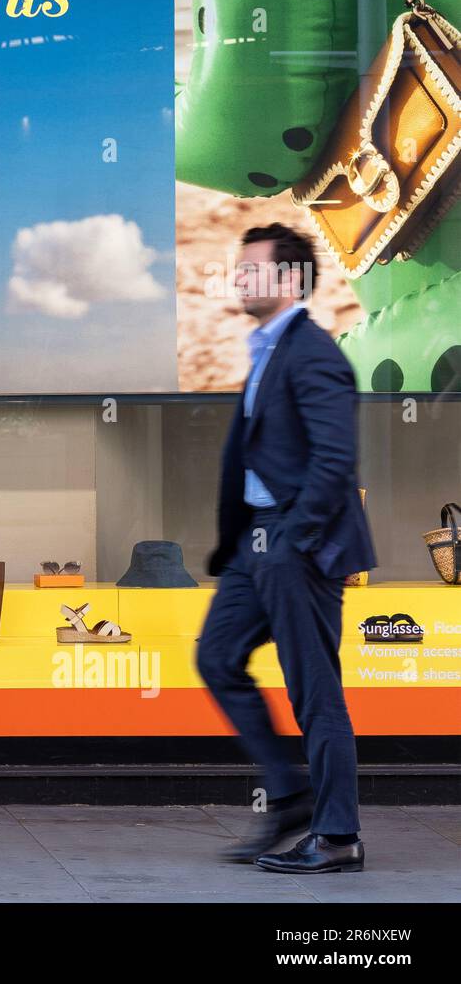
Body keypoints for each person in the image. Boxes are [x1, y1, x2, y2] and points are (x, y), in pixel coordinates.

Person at [196, 223, 376, 873]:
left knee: (316, 694)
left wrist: (293, 541)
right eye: (238, 269)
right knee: (217, 657)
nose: (239, 278)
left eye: (253, 270)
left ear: (292, 280)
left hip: (297, 546)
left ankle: (337, 836)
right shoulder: (268, 348)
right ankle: (291, 793)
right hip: (256, 543)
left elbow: (335, 460)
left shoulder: (313, 352)